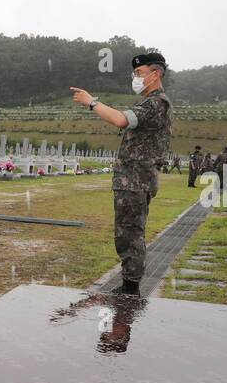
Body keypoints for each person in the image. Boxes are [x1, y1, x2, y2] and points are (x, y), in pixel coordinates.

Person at [70, 51, 173, 295]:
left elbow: (119, 120)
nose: (135, 78)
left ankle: (130, 289)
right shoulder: (150, 101)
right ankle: (129, 284)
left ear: (155, 73)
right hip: (133, 179)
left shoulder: (156, 103)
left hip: (135, 180)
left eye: (139, 73)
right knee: (128, 232)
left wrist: (91, 102)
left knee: (130, 233)